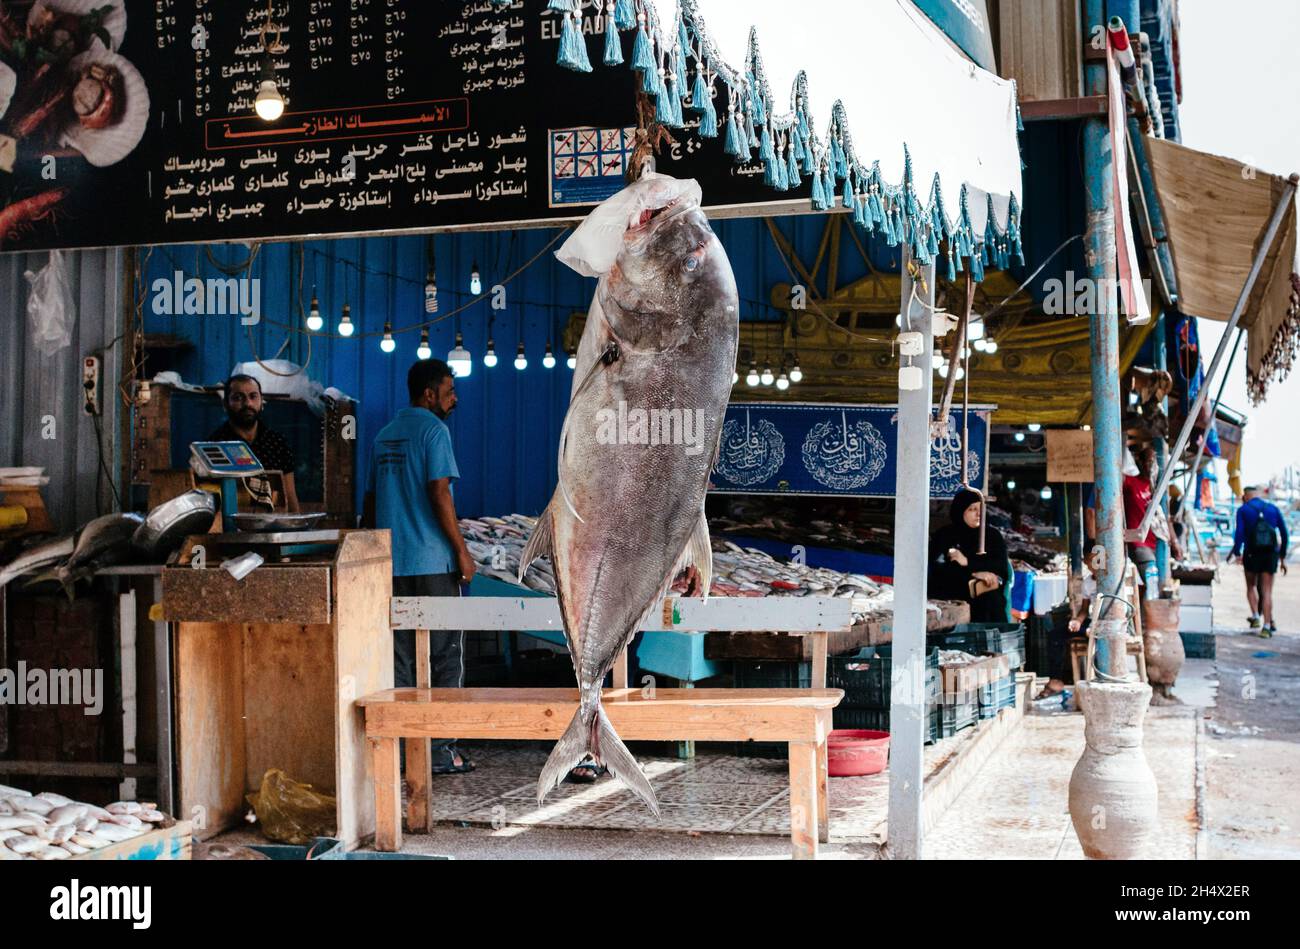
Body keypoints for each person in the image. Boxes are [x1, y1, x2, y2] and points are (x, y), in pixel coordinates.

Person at [363, 359, 477, 773]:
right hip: (431, 563)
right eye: (449, 392)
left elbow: (370, 503)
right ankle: (440, 750)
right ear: (429, 395)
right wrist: (462, 551)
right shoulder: (434, 431)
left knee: (401, 657)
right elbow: (440, 492)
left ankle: (403, 749)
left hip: (391, 566)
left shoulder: (383, 436)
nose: (454, 399)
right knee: (445, 655)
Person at [209, 373, 300, 512]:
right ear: (225, 404)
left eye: (253, 396)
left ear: (261, 402)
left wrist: (296, 530)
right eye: (238, 398)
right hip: (229, 528)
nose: (247, 404)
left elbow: (290, 497)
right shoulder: (215, 445)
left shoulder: (278, 443)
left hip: (274, 527)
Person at [928, 488, 1013, 623]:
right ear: (960, 511)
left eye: (981, 509)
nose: (979, 514)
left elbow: (1001, 567)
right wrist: (973, 573)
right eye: (972, 509)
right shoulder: (944, 536)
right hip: (951, 592)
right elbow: (936, 569)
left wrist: (969, 563)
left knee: (991, 601)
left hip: (984, 593)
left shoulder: (992, 536)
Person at [1037, 547, 1101, 699]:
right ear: (1086, 562)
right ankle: (1056, 680)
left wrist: (1094, 627)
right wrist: (1077, 621)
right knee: (1056, 635)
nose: (1094, 564)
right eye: (1090, 560)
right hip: (1092, 622)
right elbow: (1085, 610)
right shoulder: (1088, 582)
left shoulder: (1110, 580)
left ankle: (1099, 681)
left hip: (1106, 624)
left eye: (1097, 559)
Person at [1228, 485, 1288, 636]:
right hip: (1270, 554)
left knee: (1250, 586)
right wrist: (1282, 556)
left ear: (1246, 496)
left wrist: (1237, 552)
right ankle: (1267, 626)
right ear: (1258, 495)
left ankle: (1255, 615)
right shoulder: (1273, 509)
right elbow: (1284, 533)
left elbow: (1239, 534)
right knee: (1267, 591)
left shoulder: (1243, 510)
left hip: (1251, 553)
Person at [1123, 446, 1159, 599]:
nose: (1150, 466)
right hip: (1139, 544)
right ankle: (1146, 620)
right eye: (1147, 461)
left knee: (1145, 588)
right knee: (1152, 586)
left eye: (1153, 462)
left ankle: (1142, 619)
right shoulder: (1131, 482)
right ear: (1140, 462)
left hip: (1153, 542)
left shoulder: (1154, 487)